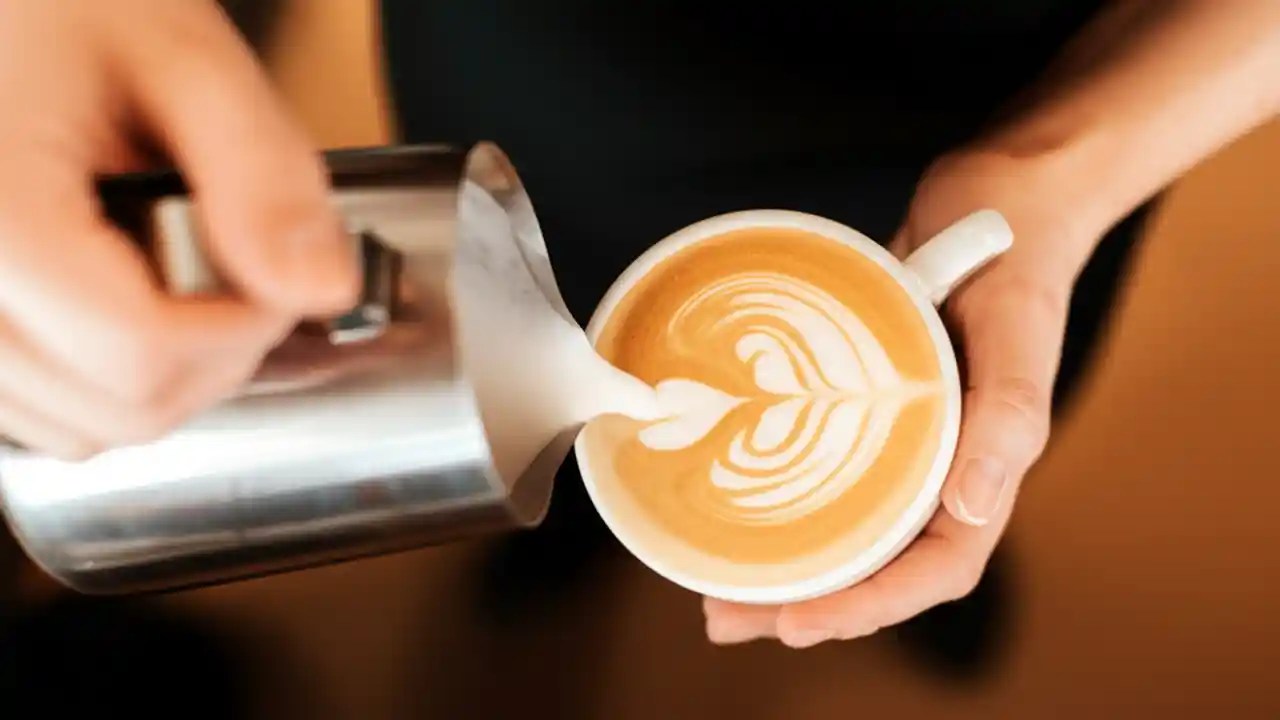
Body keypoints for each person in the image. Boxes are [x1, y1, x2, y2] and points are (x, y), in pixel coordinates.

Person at [0, 0, 1277, 658]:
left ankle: (934, 574)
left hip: (999, 97)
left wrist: (1058, 164)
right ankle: (569, 540)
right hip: (545, 70)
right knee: (542, 411)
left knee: (967, 417)